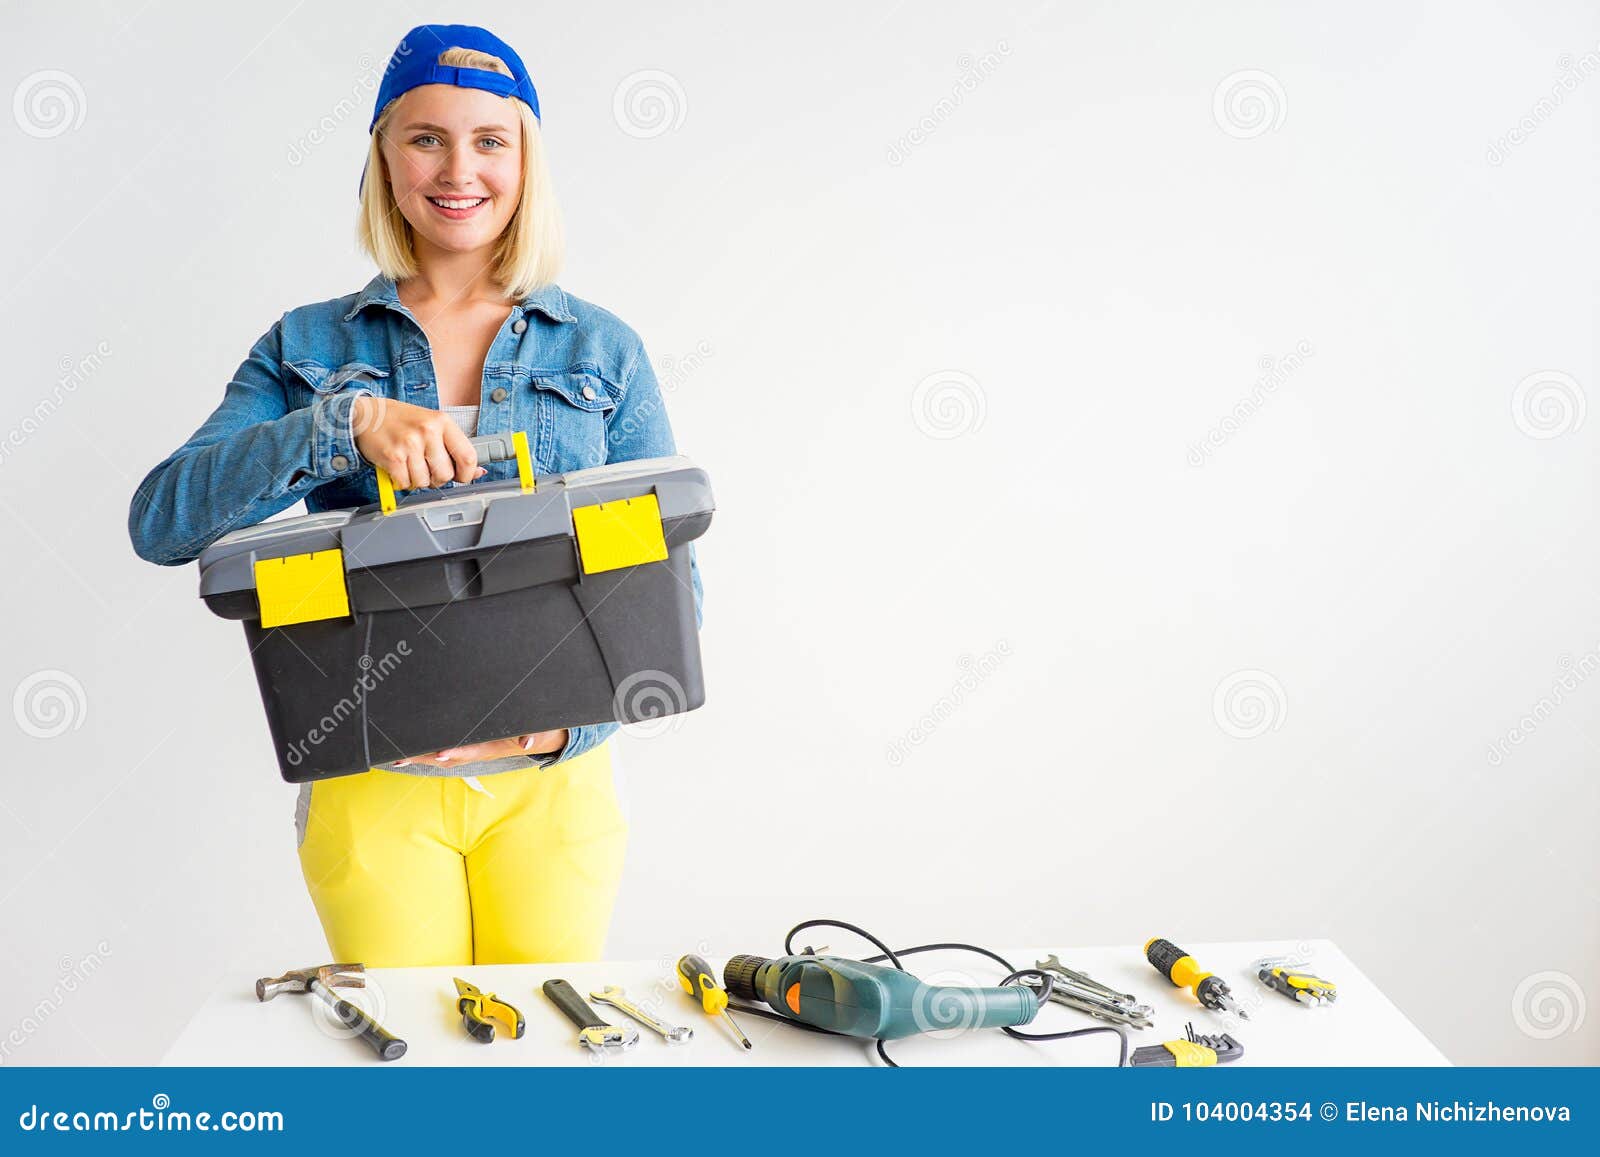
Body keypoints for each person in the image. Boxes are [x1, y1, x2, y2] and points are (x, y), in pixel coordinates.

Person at [127, 24, 702, 966]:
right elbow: (161, 522)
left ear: (526, 161)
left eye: (490, 140)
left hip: (556, 788)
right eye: (426, 137)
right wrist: (344, 424)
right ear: (384, 158)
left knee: (547, 1042)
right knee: (408, 1049)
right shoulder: (307, 348)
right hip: (371, 785)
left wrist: (561, 725)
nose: (458, 169)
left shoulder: (603, 351)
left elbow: (671, 592)